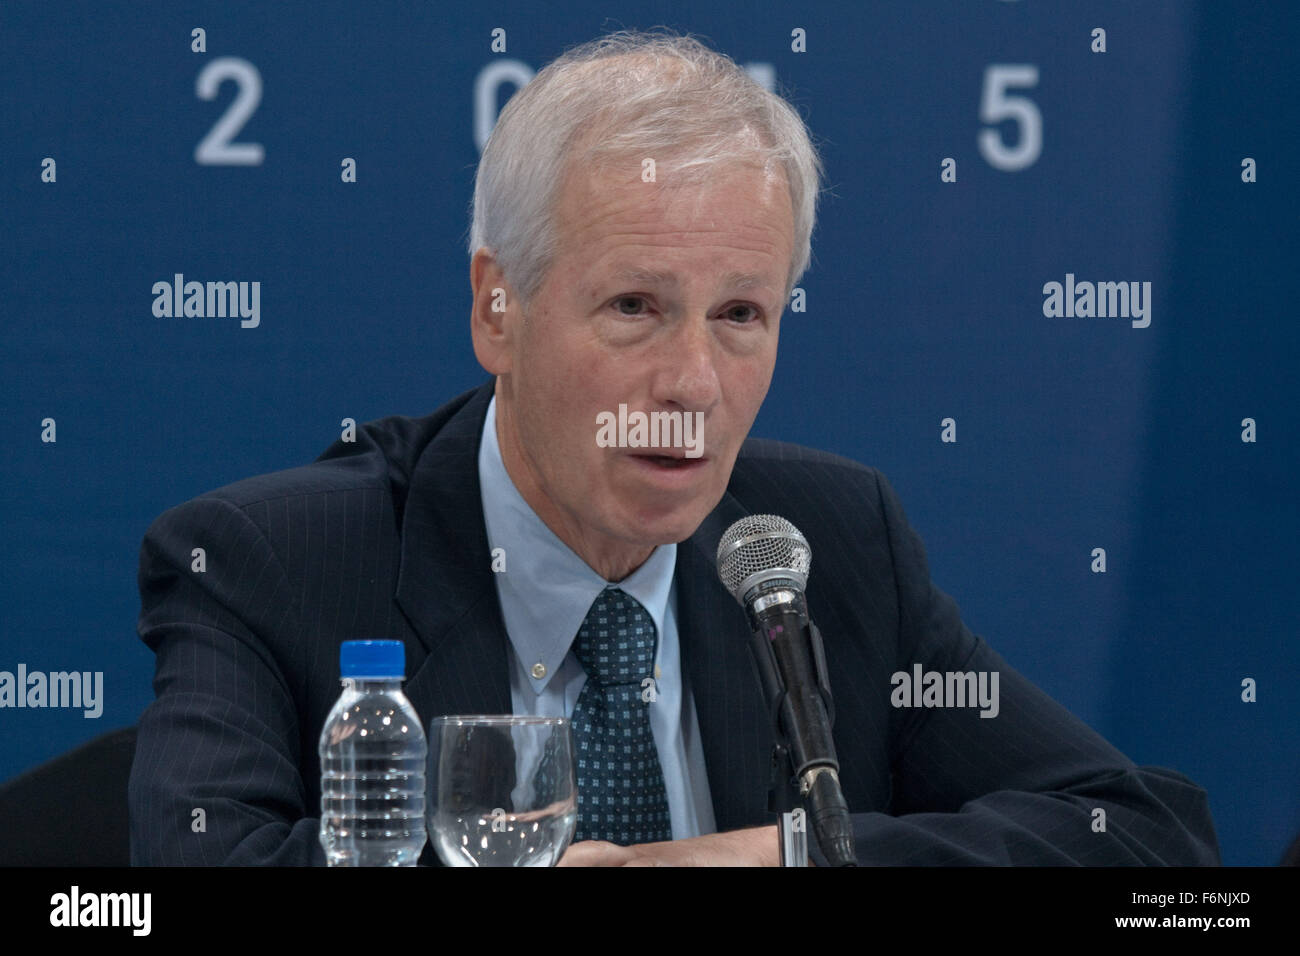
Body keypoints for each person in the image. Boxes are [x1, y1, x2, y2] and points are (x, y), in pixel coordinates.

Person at [128, 30, 1219, 866]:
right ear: (495, 308)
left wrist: (779, 853)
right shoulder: (274, 563)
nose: (693, 383)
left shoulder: (821, 545)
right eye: (636, 306)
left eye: (740, 313)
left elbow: (1144, 831)